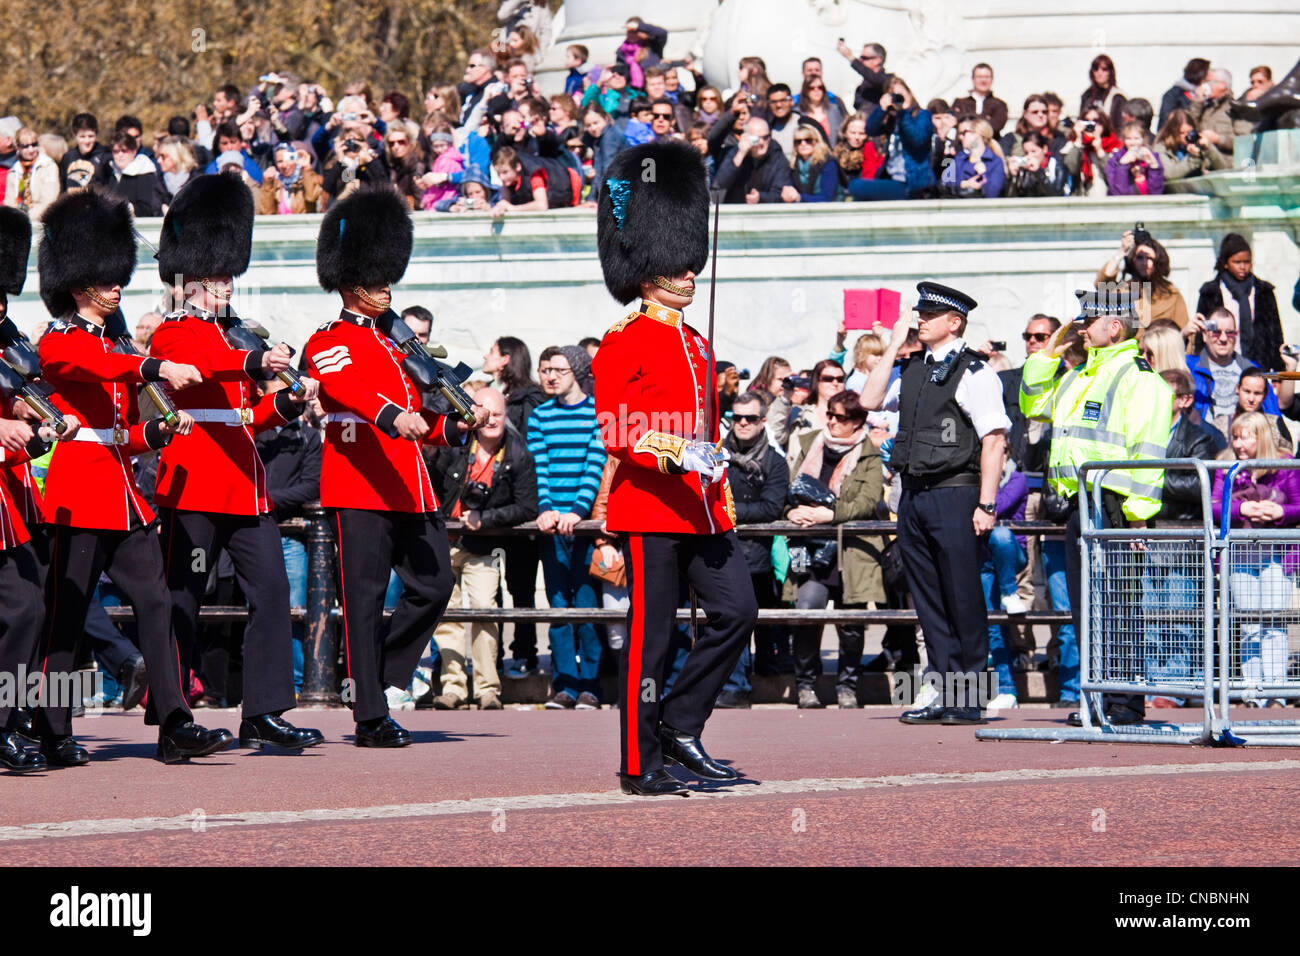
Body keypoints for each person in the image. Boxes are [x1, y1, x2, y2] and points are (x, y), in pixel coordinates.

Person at [33, 189, 233, 764]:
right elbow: (86, 369)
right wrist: (155, 364)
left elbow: (123, 433)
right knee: (65, 622)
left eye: (115, 276)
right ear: (78, 287)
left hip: (123, 496)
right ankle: (52, 728)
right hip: (78, 494)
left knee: (157, 603)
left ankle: (174, 722)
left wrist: (159, 435)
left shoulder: (114, 343)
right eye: (103, 279)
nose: (114, 286)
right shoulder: (61, 340)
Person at [591, 140, 758, 796]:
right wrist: (675, 450)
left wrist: (709, 458)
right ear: (649, 270)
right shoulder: (623, 340)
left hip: (702, 506)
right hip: (650, 506)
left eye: (692, 265)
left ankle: (681, 722)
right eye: (679, 266)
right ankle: (640, 761)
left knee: (737, 611)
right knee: (650, 643)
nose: (691, 275)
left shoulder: (695, 341)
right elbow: (615, 427)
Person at [305, 186, 487, 747]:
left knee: (434, 583)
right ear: (350, 282)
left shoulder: (399, 345)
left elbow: (422, 420)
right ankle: (369, 715)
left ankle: (378, 679)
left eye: (389, 276)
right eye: (376, 278)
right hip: (358, 482)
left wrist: (458, 425)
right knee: (361, 599)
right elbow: (344, 386)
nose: (387, 286)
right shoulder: (327, 339)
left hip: (409, 484)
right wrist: (390, 415)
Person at [151, 173, 324, 752]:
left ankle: (265, 709)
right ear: (193, 278)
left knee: (273, 593)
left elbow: (249, 416)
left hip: (244, 486)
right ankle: (174, 716)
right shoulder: (173, 333)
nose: (227, 283)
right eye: (217, 275)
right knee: (181, 597)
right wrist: (254, 361)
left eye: (228, 274)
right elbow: (204, 368)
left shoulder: (239, 334)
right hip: (195, 480)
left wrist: (287, 400)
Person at [1020, 289, 1173, 727]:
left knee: (1118, 607)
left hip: (1115, 509)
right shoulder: (1075, 375)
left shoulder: (1137, 378)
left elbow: (1148, 453)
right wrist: (1047, 353)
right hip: (1076, 507)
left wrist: (1139, 516)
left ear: (1116, 327)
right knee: (1087, 609)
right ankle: (1098, 698)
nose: (1081, 327)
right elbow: (1032, 402)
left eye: (1089, 320)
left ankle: (1123, 704)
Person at [860, 282, 1012, 723]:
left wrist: (986, 504)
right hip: (915, 495)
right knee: (928, 599)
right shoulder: (910, 368)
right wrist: (892, 346)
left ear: (954, 322)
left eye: (929, 315)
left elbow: (994, 441)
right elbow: (868, 401)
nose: (919, 320)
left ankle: (968, 698)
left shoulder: (975, 372)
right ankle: (942, 690)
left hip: (956, 493)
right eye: (919, 314)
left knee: (963, 597)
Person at [428, 386, 537, 710]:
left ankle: (488, 688)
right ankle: (453, 687)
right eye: (485, 414)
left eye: (498, 414)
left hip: (483, 545)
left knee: (484, 611)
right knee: (446, 616)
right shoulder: (455, 445)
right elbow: (431, 484)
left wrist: (486, 517)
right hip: (443, 542)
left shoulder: (518, 453)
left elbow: (528, 507)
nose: (491, 421)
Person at [785, 390, 885, 709]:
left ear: (857, 422)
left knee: (851, 623)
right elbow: (790, 489)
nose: (831, 421)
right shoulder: (809, 443)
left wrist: (832, 514)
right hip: (811, 549)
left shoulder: (868, 453)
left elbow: (867, 502)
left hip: (851, 552)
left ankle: (847, 687)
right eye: (829, 413)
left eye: (840, 417)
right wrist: (790, 511)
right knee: (807, 613)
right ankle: (805, 686)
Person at [526, 345, 606, 709]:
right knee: (558, 606)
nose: (550, 376)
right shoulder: (540, 415)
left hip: (584, 524)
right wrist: (546, 509)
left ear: (577, 371)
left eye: (558, 369)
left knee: (587, 606)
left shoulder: (597, 413)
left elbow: (595, 464)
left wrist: (577, 511)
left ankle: (591, 684)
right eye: (544, 370)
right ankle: (565, 685)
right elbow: (539, 467)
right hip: (551, 524)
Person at [1213, 412, 1297, 707]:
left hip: (1276, 555)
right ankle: (1252, 693)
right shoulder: (1225, 465)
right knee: (1249, 623)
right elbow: (1212, 507)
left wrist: (1280, 513)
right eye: (1235, 437)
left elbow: (1299, 505)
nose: (1238, 443)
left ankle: (1277, 693)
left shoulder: (1285, 464)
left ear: (1260, 437)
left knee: (1273, 622)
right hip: (1240, 556)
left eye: (1245, 437)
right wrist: (1242, 508)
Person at [719, 391, 791, 697]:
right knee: (732, 620)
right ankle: (735, 687)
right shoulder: (717, 454)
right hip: (722, 551)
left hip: (759, 554)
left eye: (750, 418)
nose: (743, 423)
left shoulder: (774, 462)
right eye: (737, 418)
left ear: (763, 421)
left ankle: (762, 674)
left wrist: (728, 510)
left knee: (761, 621)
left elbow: (771, 508)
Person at [980, 448, 1029, 711]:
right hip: (984, 560)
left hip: (1012, 554)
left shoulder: (1017, 479)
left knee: (1000, 534)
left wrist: (983, 488)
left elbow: (995, 507)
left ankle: (1010, 591)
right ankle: (1006, 689)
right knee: (992, 624)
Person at [1193, 233, 1284, 372]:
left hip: (1258, 365)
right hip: (1220, 364)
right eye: (1237, 262)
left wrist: (1279, 370)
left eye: (1247, 262)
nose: (1243, 267)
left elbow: (1275, 333)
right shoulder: (1210, 293)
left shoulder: (1263, 291)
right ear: (1225, 263)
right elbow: (1201, 334)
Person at [1184, 308, 1280, 424]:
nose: (1223, 338)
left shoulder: (1251, 369)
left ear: (1236, 335)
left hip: (1243, 439)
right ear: (1205, 335)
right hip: (1203, 439)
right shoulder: (1188, 366)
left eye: (1229, 333)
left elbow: (1274, 417)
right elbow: (1158, 375)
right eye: (1216, 332)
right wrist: (1182, 336)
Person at [853, 78, 934, 200]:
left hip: (912, 183)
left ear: (909, 94)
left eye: (901, 95)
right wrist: (881, 109)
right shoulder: (891, 120)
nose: (899, 99)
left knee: (856, 186)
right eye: (895, 96)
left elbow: (917, 139)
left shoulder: (922, 115)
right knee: (859, 196)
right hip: (891, 179)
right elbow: (870, 130)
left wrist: (903, 112)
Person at [1096, 226, 1188, 329]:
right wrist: (1122, 251)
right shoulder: (1124, 290)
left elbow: (1184, 330)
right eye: (1139, 257)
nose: (1144, 263)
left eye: (1149, 258)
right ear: (1132, 261)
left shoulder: (1171, 294)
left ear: (1158, 261)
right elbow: (1102, 285)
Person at [713, 117, 796, 205]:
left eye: (765, 137)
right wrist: (741, 154)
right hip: (737, 210)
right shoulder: (736, 152)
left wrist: (760, 197)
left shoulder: (778, 157)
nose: (761, 142)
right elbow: (720, 183)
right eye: (756, 139)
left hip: (766, 212)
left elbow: (780, 193)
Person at [1154, 109, 1228, 183]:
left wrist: (1209, 148)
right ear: (1173, 132)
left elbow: (1222, 169)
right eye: (1182, 133)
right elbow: (1169, 174)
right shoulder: (1162, 148)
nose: (1187, 136)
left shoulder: (1198, 145)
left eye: (1189, 132)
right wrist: (1193, 158)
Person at [944, 117, 1006, 198]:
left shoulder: (995, 161)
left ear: (976, 134)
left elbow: (992, 193)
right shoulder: (960, 158)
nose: (960, 137)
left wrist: (983, 173)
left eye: (964, 133)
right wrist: (965, 184)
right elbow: (944, 184)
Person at [1189, 68, 1238, 159]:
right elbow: (1190, 125)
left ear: (1222, 85)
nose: (1205, 86)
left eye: (1209, 82)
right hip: (1205, 164)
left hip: (1226, 165)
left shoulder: (1235, 108)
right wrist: (1198, 101)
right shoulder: (1206, 107)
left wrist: (1218, 139)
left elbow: (1244, 141)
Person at [1106, 122, 1164, 196]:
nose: (1132, 143)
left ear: (1143, 139)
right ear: (1123, 140)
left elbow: (1156, 192)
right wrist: (1123, 165)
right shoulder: (1115, 159)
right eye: (1128, 138)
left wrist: (1154, 166)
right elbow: (1119, 192)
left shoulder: (1152, 156)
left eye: (1136, 138)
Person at [953, 63, 1009, 137]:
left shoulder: (1000, 105)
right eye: (979, 77)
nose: (983, 80)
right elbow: (955, 123)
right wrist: (985, 118)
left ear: (992, 79)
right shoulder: (959, 103)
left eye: (987, 77)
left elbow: (996, 126)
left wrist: (967, 116)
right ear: (973, 79)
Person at [59, 113, 112, 191]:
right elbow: (63, 187)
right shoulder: (68, 157)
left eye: (91, 136)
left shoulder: (105, 155)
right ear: (75, 136)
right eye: (82, 136)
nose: (87, 141)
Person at [836, 39, 891, 114]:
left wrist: (850, 57)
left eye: (864, 58)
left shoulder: (887, 79)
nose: (860, 60)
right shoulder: (864, 83)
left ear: (877, 60)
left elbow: (874, 78)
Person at [1080, 54, 1128, 132]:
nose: (1099, 73)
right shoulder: (1087, 95)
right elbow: (1081, 121)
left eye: (1104, 69)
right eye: (1096, 69)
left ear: (1110, 72)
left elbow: (1121, 128)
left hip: (1110, 140)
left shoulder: (1118, 97)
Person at [789, 128, 839, 202]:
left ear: (816, 141)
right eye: (798, 141)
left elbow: (827, 198)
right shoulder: (793, 165)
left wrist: (800, 198)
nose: (803, 144)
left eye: (808, 140)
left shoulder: (828, 163)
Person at [1160, 58, 1212, 128]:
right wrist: (1198, 100)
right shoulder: (1174, 95)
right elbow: (1168, 119)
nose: (1209, 78)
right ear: (1200, 74)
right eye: (1207, 74)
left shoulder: (1207, 95)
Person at [798, 76, 847, 147]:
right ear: (805, 91)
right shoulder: (799, 112)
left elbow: (842, 133)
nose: (816, 90)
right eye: (812, 88)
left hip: (831, 153)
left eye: (820, 87)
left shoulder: (834, 109)